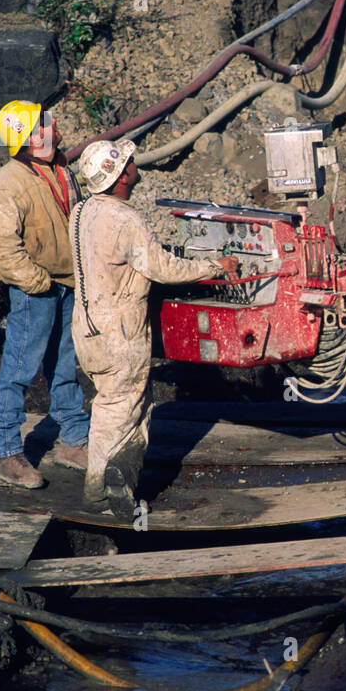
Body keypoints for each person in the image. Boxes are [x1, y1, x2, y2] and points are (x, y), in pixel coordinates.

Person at [70, 138, 237, 513]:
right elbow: (162, 268)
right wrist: (215, 268)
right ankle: (109, 490)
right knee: (125, 409)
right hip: (120, 331)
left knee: (110, 406)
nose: (134, 163)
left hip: (86, 327)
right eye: (127, 161)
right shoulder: (125, 218)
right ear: (121, 176)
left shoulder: (81, 211)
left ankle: (103, 485)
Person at [0, 100, 91, 488]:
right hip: (36, 290)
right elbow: (1, 247)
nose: (54, 123)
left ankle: (74, 440)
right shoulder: (5, 185)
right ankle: (7, 453)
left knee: (65, 366)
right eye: (44, 122)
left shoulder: (61, 170)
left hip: (68, 285)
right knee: (18, 370)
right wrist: (36, 281)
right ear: (28, 139)